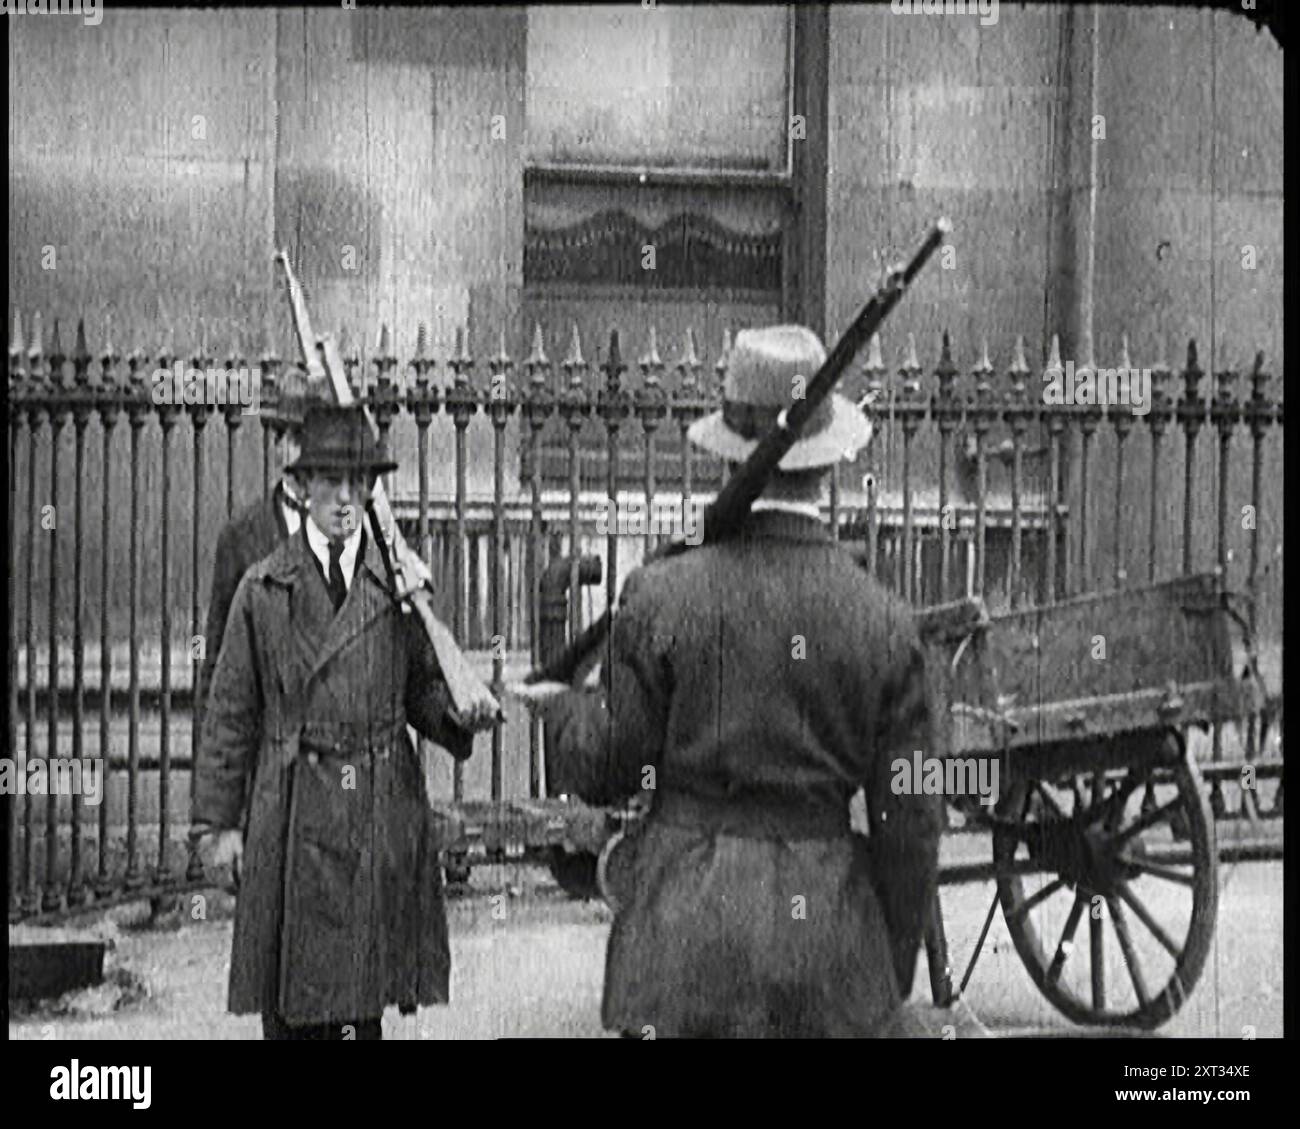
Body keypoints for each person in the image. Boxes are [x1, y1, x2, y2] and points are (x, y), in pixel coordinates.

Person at [513, 325, 944, 1038]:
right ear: (830, 460)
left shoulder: (661, 595)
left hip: (685, 952)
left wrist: (560, 712)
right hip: (829, 952)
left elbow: (610, 763)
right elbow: (913, 819)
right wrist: (878, 964)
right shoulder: (885, 622)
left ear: (728, 454)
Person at [192, 404, 491, 1040]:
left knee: (359, 1004)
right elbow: (229, 714)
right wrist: (219, 825)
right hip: (292, 807)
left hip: (374, 810)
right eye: (330, 481)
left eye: (359, 483)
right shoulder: (263, 587)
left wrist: (458, 713)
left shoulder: (398, 589)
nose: (346, 497)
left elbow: (421, 687)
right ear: (303, 487)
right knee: (292, 1003)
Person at [193, 365, 323, 741]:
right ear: (278, 445)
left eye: (310, 437)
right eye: (292, 437)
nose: (302, 450)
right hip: (268, 753)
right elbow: (217, 660)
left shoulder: (351, 531)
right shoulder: (241, 537)